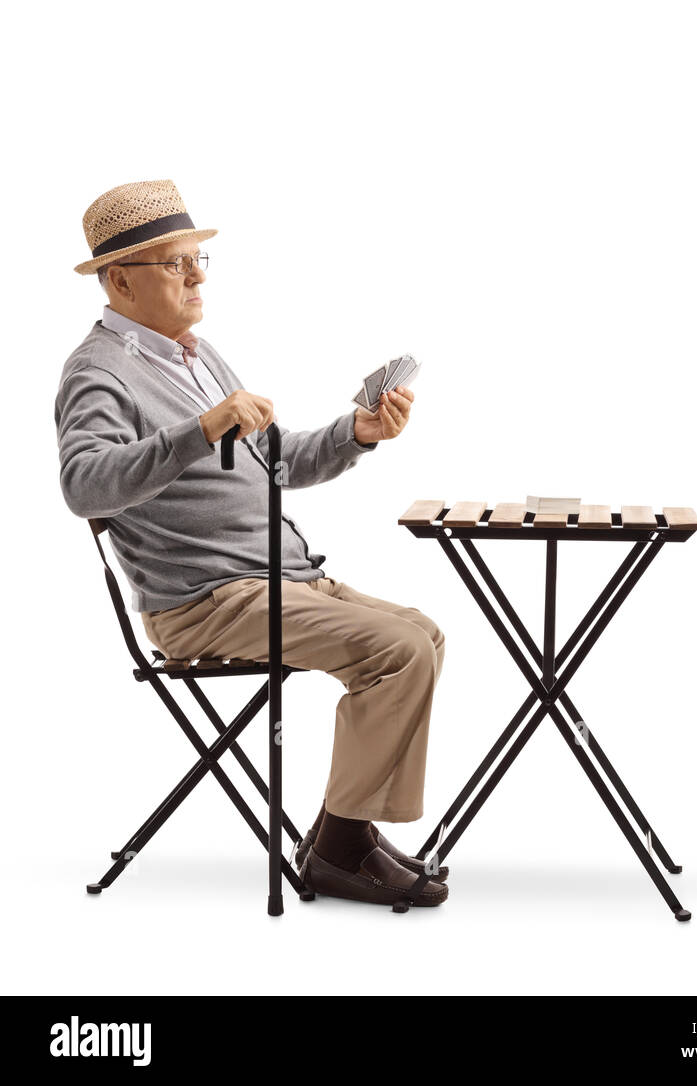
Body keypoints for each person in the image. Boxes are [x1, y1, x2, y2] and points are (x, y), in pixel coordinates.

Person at [55, 179, 448, 908]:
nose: (199, 275)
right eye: (175, 264)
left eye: (196, 260)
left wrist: (356, 432)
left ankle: (342, 831)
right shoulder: (99, 371)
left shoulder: (196, 355)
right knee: (399, 652)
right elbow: (83, 484)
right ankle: (338, 847)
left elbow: (282, 461)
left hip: (279, 578)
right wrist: (199, 429)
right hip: (204, 601)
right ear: (119, 280)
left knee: (423, 633)